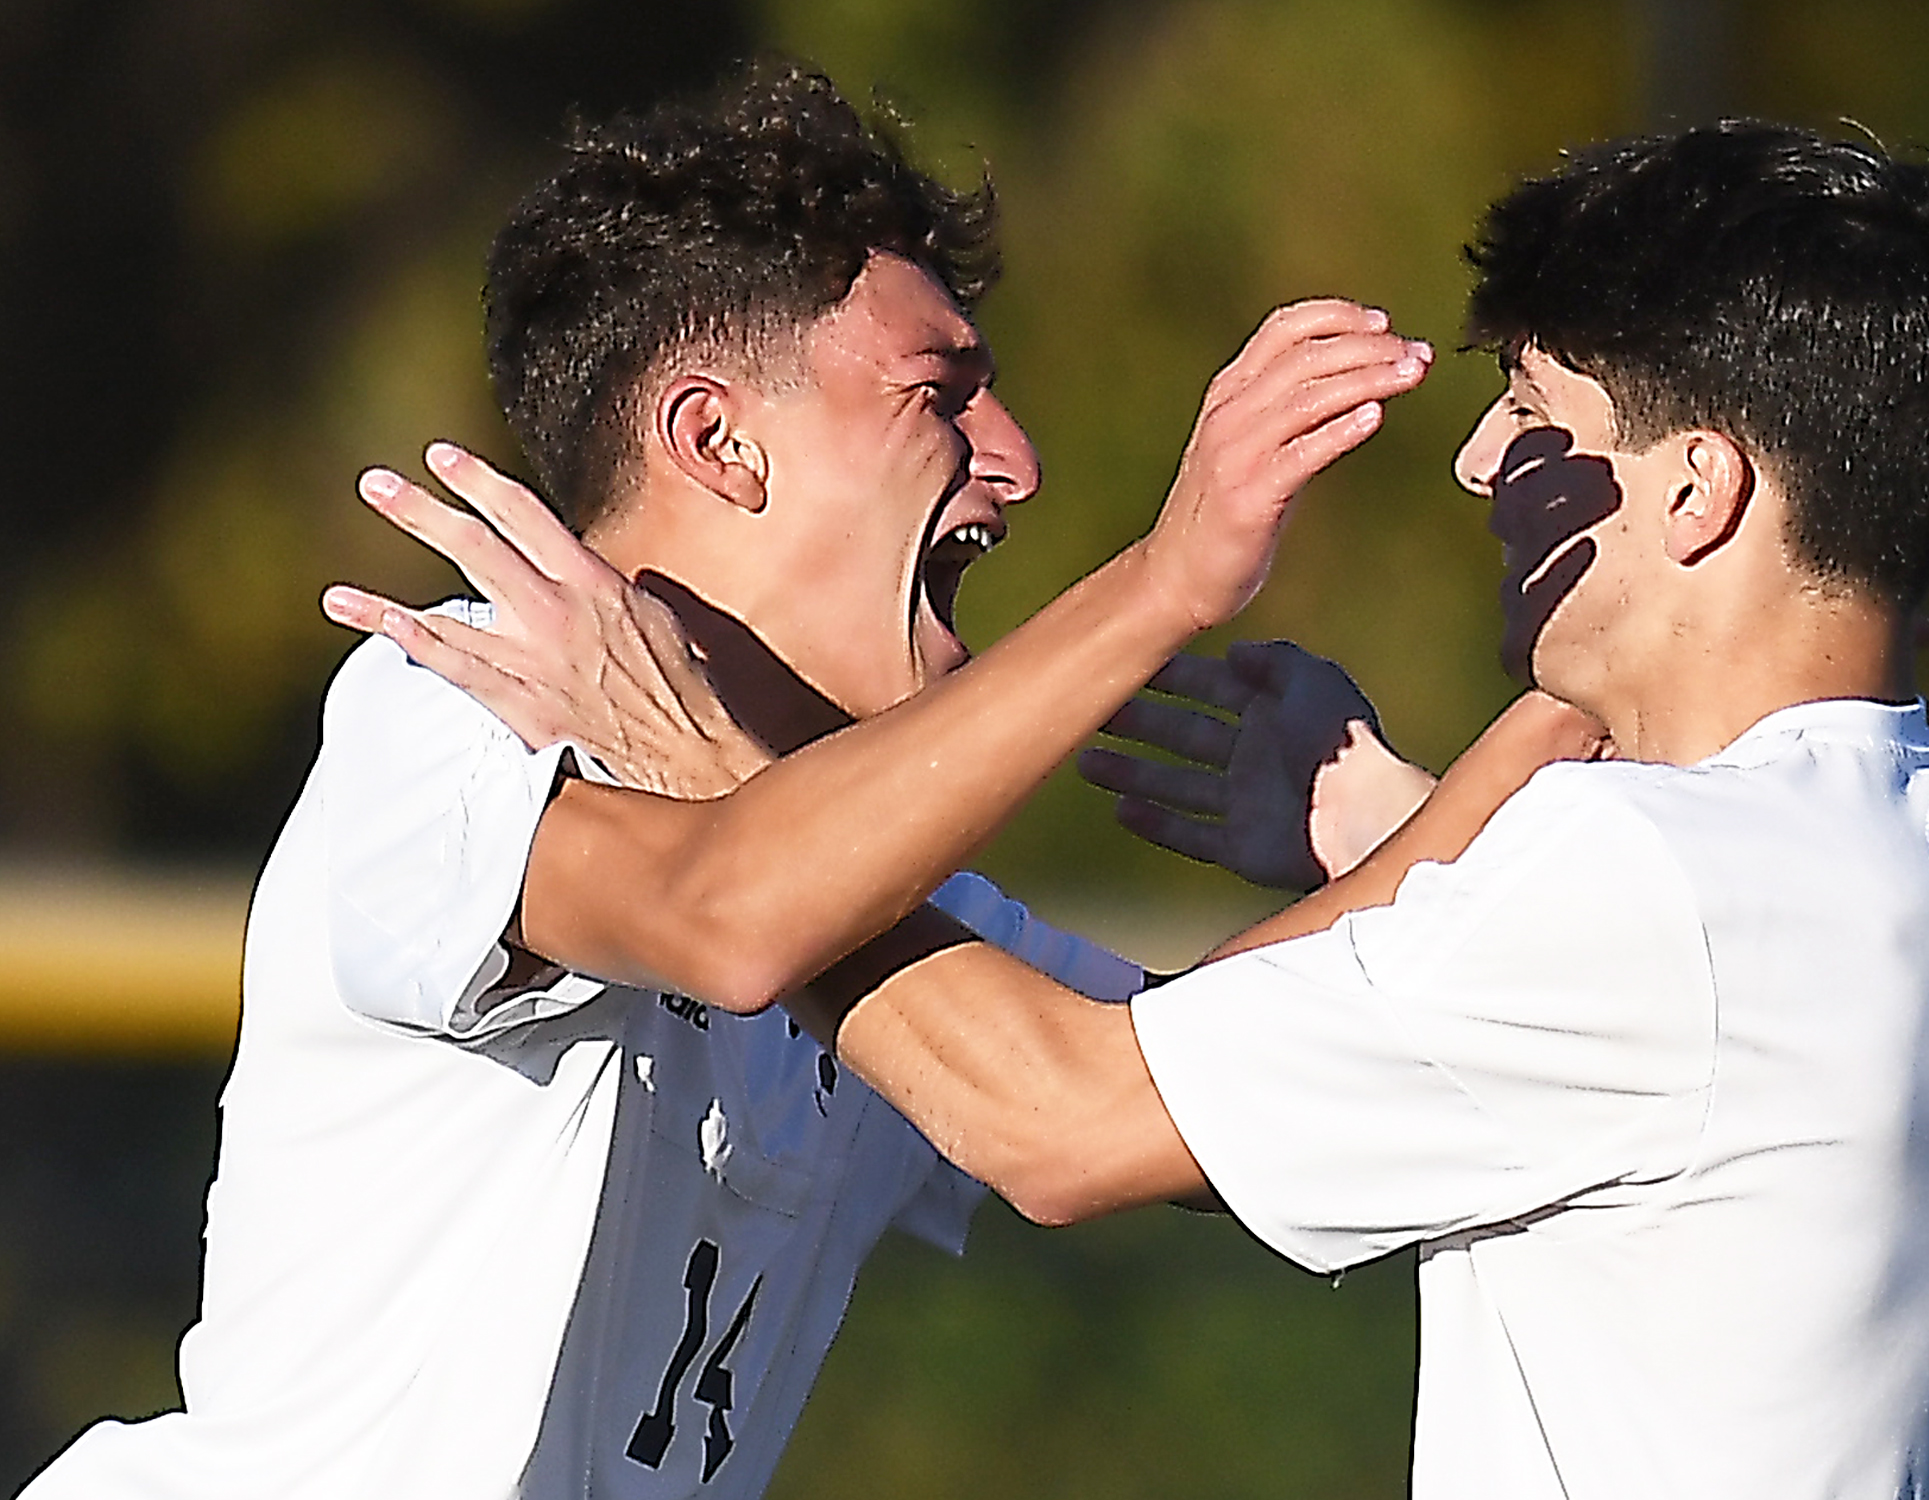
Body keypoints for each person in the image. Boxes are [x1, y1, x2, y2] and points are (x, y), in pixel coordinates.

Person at [337, 120, 1929, 1499]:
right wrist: (1416, 815)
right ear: (714, 439)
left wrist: (1163, 586)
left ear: (1701, 488)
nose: (1479, 465)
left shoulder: (1667, 882)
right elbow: (1176, 1065)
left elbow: (1066, 1109)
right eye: (942, 391)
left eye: (1532, 410)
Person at [18, 63, 1431, 1500]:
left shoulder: (865, 868)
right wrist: (1163, 582)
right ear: (716, 441)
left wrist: (1485, 780)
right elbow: (732, 919)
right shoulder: (459, 695)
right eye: (942, 392)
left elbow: (1182, 1093)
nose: (1017, 459)